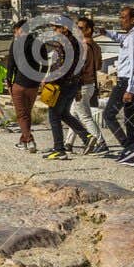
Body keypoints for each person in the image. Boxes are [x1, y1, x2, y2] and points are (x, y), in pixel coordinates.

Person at [42, 20, 94, 161]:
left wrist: (48, 81)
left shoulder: (64, 44)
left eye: (57, 27)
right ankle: (86, 136)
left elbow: (60, 67)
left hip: (62, 85)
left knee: (54, 116)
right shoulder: (78, 44)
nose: (54, 29)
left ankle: (59, 149)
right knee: (64, 113)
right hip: (73, 85)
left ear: (65, 28)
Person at [102, 5, 134, 164]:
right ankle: (133, 155)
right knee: (129, 118)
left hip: (126, 82)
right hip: (130, 82)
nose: (120, 20)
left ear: (133, 20)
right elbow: (122, 40)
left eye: (123, 17)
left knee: (108, 115)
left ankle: (128, 147)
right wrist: (107, 33)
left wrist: (130, 89)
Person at [73, 18, 109, 155]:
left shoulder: (82, 47)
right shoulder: (96, 46)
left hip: (81, 85)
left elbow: (78, 69)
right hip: (91, 85)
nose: (78, 30)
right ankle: (68, 144)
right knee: (73, 114)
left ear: (89, 30)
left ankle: (101, 143)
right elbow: (99, 66)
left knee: (85, 116)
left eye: (81, 28)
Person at [7, 19, 42, 152]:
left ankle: (30, 140)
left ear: (20, 29)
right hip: (34, 84)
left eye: (15, 31)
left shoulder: (16, 43)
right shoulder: (38, 43)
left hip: (20, 83)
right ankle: (23, 141)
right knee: (27, 113)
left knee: (21, 114)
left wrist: (9, 82)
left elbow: (11, 64)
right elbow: (44, 63)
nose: (15, 34)